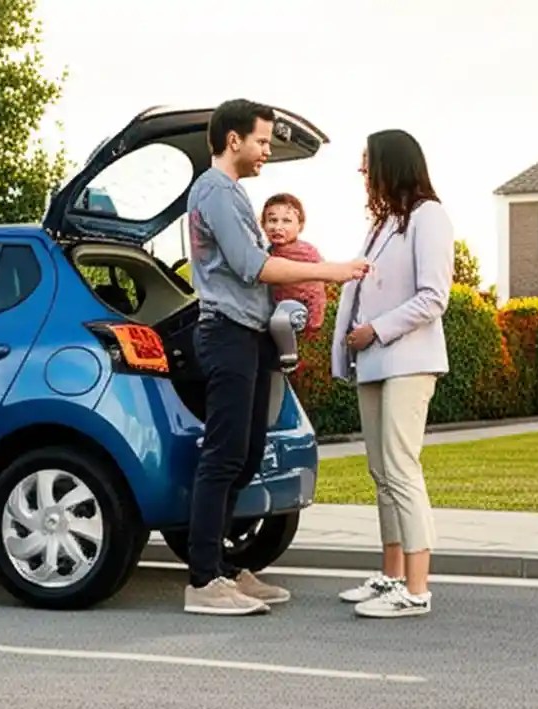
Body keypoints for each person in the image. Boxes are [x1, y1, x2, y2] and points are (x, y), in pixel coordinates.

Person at [184, 99, 369, 616]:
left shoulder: (234, 193)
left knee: (245, 455)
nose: (267, 150)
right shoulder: (216, 191)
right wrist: (327, 271)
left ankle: (223, 569)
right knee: (222, 455)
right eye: (262, 141)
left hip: (250, 336)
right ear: (233, 140)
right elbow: (250, 265)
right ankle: (203, 582)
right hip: (227, 333)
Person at [330, 129, 454, 619]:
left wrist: (375, 331)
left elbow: (433, 297)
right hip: (374, 361)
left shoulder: (430, 217)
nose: (362, 171)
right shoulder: (383, 224)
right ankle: (392, 575)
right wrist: (350, 351)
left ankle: (417, 590)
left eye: (368, 162)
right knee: (381, 472)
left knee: (401, 467)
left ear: (391, 164)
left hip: (408, 359)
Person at [262, 193, 326, 337]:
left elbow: (316, 289)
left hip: (299, 316)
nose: (278, 227)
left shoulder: (307, 253)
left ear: (300, 226)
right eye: (272, 220)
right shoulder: (263, 254)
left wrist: (314, 321)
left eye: (286, 221)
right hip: (269, 319)